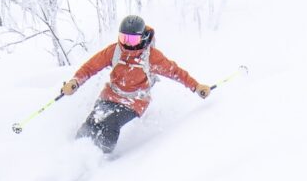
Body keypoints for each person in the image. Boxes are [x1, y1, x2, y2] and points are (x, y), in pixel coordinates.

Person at [60, 14, 210, 154]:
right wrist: (75, 82)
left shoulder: (151, 57)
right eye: (123, 38)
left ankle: (100, 157)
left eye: (132, 40)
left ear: (142, 37)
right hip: (111, 95)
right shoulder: (115, 51)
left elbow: (176, 72)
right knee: (92, 121)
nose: (127, 44)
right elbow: (90, 67)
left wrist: (196, 86)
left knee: (110, 123)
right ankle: (74, 153)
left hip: (134, 101)